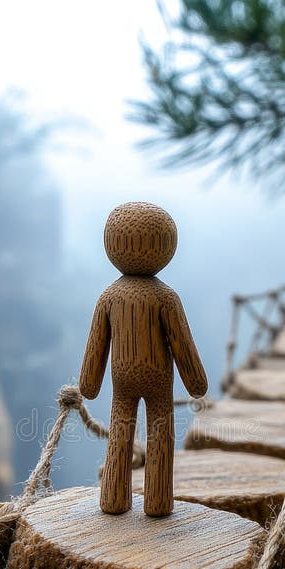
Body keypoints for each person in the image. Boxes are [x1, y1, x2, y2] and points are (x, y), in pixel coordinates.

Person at [79, 201, 207, 517]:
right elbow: (183, 345)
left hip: (121, 379)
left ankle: (112, 497)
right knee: (160, 433)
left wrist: (89, 382)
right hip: (158, 379)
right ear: (167, 246)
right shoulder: (166, 297)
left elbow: (96, 344)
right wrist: (195, 381)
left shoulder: (109, 296)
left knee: (120, 433)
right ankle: (158, 501)